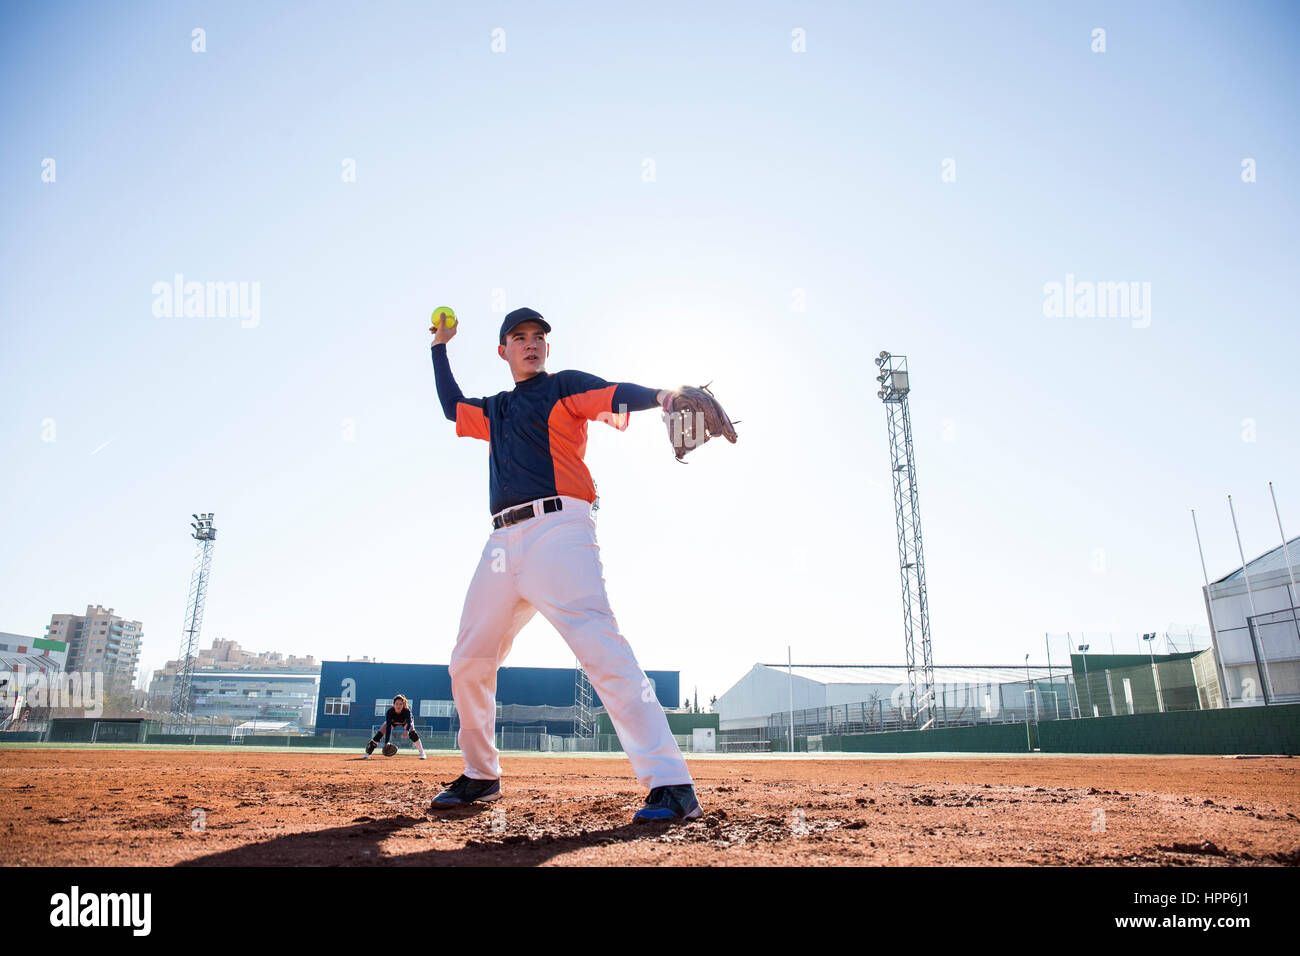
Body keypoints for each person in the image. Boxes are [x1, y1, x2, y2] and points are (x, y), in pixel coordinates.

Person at [426, 306, 702, 822]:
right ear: (503, 350)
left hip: (560, 530)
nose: (530, 344)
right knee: (469, 660)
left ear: (547, 348)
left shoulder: (562, 387)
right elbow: (451, 405)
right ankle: (481, 775)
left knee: (601, 648)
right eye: (519, 337)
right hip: (502, 542)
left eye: (538, 337)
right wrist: (440, 346)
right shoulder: (498, 409)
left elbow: (616, 392)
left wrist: (665, 395)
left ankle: (671, 783)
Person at [365, 694, 426, 759]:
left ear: (403, 705)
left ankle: (422, 753)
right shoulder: (390, 712)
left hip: (405, 722)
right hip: (393, 722)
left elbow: (409, 722)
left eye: (400, 704)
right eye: (396, 704)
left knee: (412, 733)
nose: (398, 706)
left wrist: (407, 731)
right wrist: (387, 742)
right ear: (394, 705)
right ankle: (368, 752)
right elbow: (388, 727)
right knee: (381, 732)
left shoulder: (407, 711)